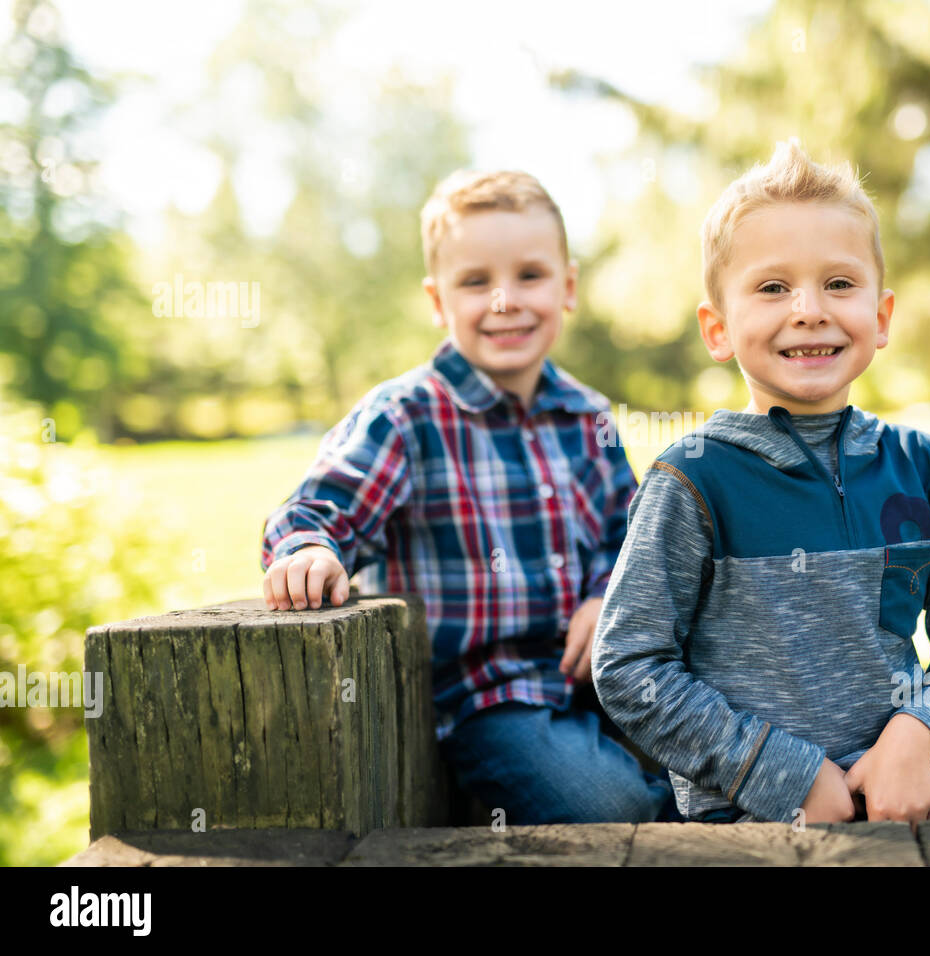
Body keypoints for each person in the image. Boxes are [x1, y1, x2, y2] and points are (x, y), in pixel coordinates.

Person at [591, 140, 930, 829]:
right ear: (718, 328)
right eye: (772, 287)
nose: (810, 309)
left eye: (840, 284)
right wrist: (779, 773)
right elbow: (628, 666)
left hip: (904, 801)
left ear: (880, 317)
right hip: (748, 819)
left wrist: (917, 737)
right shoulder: (693, 479)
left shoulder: (921, 467)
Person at [260, 168, 677, 825]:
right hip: (487, 702)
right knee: (612, 806)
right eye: (476, 282)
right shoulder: (407, 417)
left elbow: (626, 534)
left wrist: (604, 596)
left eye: (530, 276)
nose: (505, 300)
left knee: (718, 747)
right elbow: (316, 509)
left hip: (602, 679)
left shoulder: (586, 415)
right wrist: (310, 549)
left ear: (567, 288)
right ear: (437, 300)